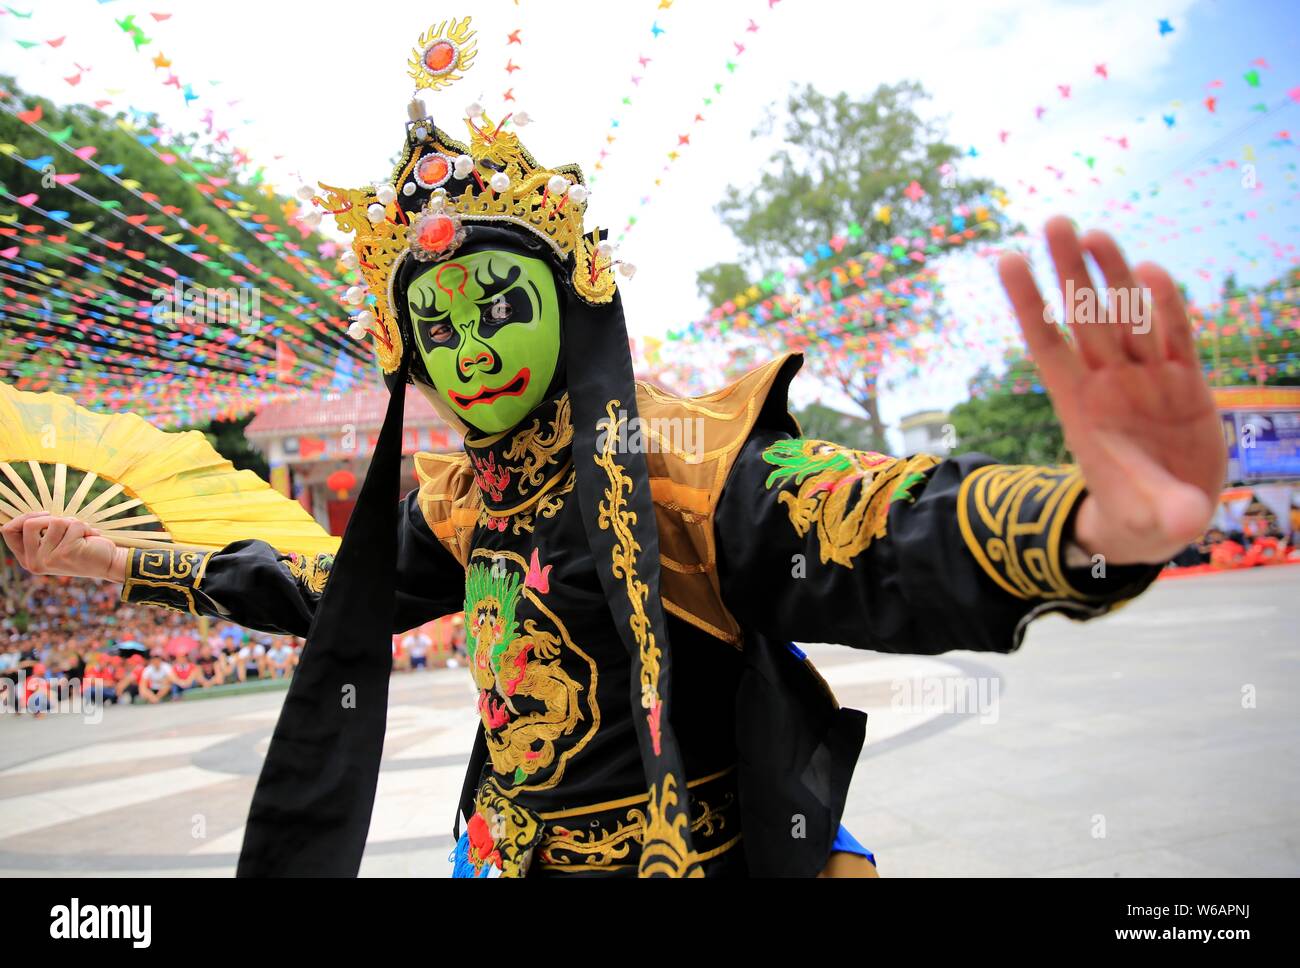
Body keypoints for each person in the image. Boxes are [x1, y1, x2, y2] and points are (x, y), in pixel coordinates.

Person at [1, 17, 1227, 878]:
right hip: (500, 855)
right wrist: (122, 564)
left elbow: (855, 523)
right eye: (436, 323)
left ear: (569, 296)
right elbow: (334, 598)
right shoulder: (448, 499)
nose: (468, 347)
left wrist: (1081, 522)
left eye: (495, 307)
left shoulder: (675, 456)